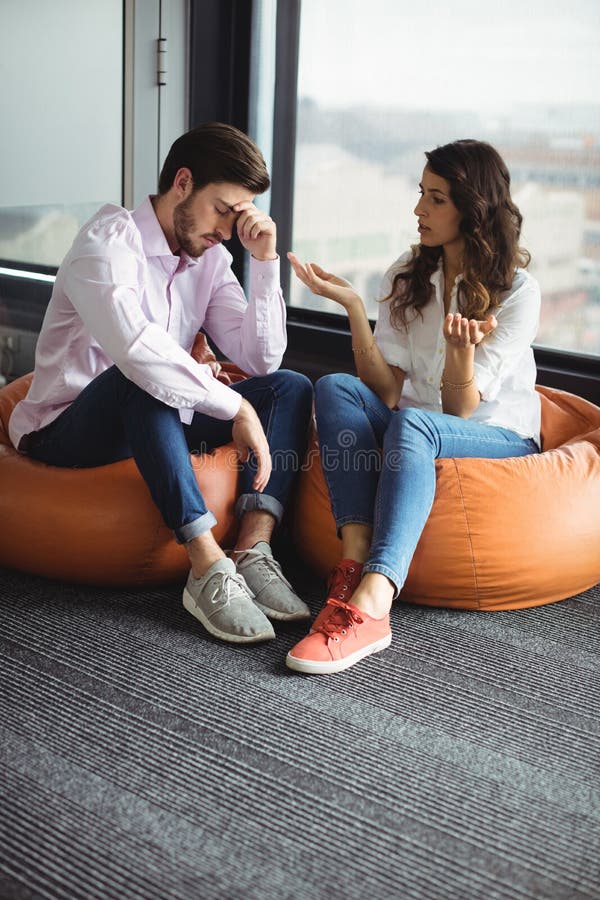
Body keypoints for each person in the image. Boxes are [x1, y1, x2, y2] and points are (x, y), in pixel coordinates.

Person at [9, 122, 314, 644]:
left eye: (239, 214)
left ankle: (252, 547)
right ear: (183, 182)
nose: (227, 229)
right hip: (65, 430)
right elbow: (138, 352)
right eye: (223, 208)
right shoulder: (107, 243)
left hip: (159, 423)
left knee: (289, 387)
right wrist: (234, 409)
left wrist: (264, 263)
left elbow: (260, 360)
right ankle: (206, 566)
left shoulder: (211, 259)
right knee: (141, 379)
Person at [285, 139, 541, 675]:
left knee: (414, 423)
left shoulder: (517, 290)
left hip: (496, 433)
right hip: (415, 423)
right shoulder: (409, 274)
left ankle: (375, 601)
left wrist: (459, 353)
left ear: (473, 208)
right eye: (421, 193)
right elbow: (383, 390)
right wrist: (355, 309)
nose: (419, 210)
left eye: (437, 198)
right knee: (333, 387)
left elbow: (462, 410)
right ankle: (353, 558)